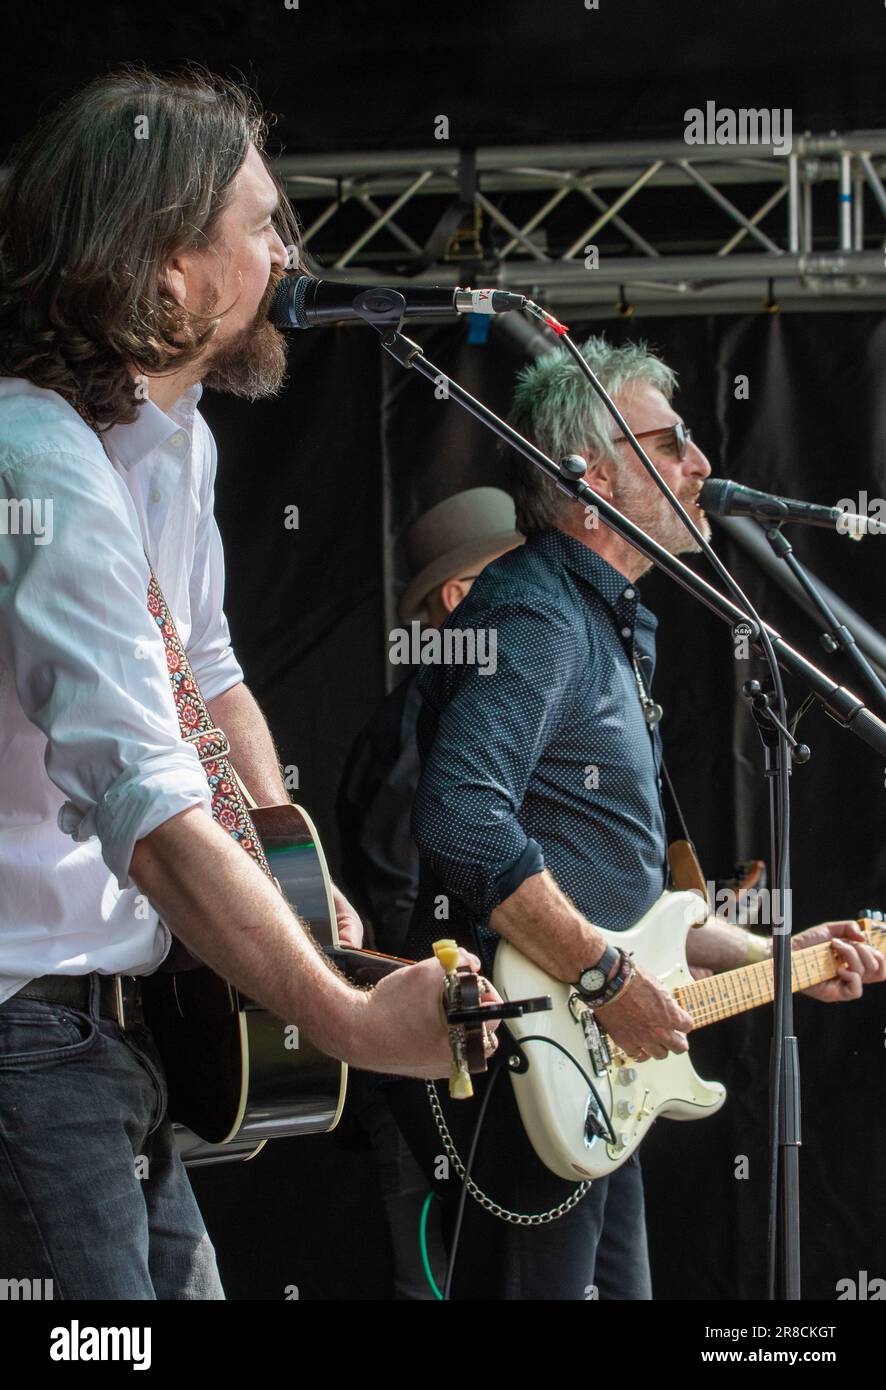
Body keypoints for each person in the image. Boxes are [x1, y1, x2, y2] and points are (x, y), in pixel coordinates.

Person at [0, 67, 491, 1301]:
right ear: (168, 269)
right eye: (263, 225)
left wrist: (289, 865)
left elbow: (208, 679)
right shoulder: (35, 465)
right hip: (23, 1028)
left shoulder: (174, 443)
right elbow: (151, 811)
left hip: (114, 1023)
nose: (289, 253)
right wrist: (354, 1021)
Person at [387, 335, 886, 1301]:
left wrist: (789, 956)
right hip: (521, 1056)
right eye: (674, 443)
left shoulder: (605, 626)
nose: (703, 464)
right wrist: (606, 974)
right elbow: (462, 815)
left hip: (584, 1070)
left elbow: (639, 906)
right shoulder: (533, 611)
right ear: (593, 479)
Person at [337, 486, 523, 1298]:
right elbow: (397, 928)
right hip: (428, 1076)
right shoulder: (415, 729)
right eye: (510, 576)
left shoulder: (481, 718)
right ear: (459, 597)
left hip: (483, 1068)